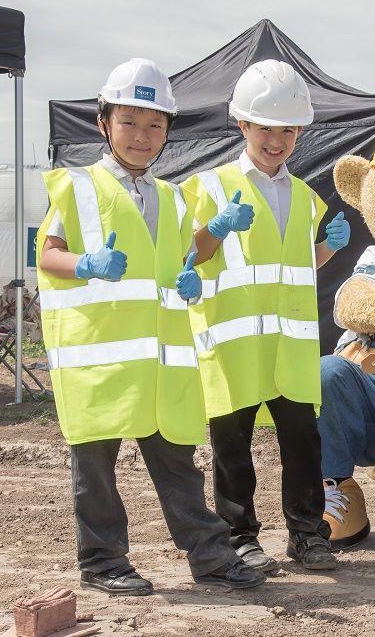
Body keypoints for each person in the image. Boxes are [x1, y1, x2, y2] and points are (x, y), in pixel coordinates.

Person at [36, 58, 264, 595]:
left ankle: (210, 556)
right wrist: (86, 265)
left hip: (161, 362)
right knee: (95, 469)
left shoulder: (169, 196)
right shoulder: (79, 188)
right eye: (129, 122)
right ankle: (102, 562)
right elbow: (48, 255)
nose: (142, 136)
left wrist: (216, 233)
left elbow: (189, 256)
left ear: (168, 131)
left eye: (155, 124)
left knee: (180, 467)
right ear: (103, 124)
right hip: (101, 358)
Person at [176, 59, 350, 574]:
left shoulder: (304, 196)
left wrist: (328, 251)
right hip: (234, 347)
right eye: (267, 128)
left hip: (290, 349)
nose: (278, 140)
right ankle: (240, 536)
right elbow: (191, 256)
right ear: (243, 126)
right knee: (233, 450)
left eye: (289, 130)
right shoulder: (208, 189)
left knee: (304, 447)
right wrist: (218, 227)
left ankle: (306, 534)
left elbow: (296, 266)